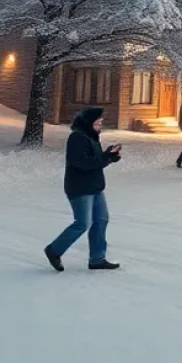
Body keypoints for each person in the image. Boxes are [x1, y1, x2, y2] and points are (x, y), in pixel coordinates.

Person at [44, 107, 121, 272]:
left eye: (101, 122)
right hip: (80, 188)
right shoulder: (77, 138)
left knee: (101, 220)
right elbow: (83, 163)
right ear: (88, 123)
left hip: (95, 187)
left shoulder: (92, 137)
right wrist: (106, 157)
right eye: (98, 122)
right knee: (82, 223)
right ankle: (54, 250)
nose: (101, 125)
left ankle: (97, 259)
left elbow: (96, 161)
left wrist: (110, 156)